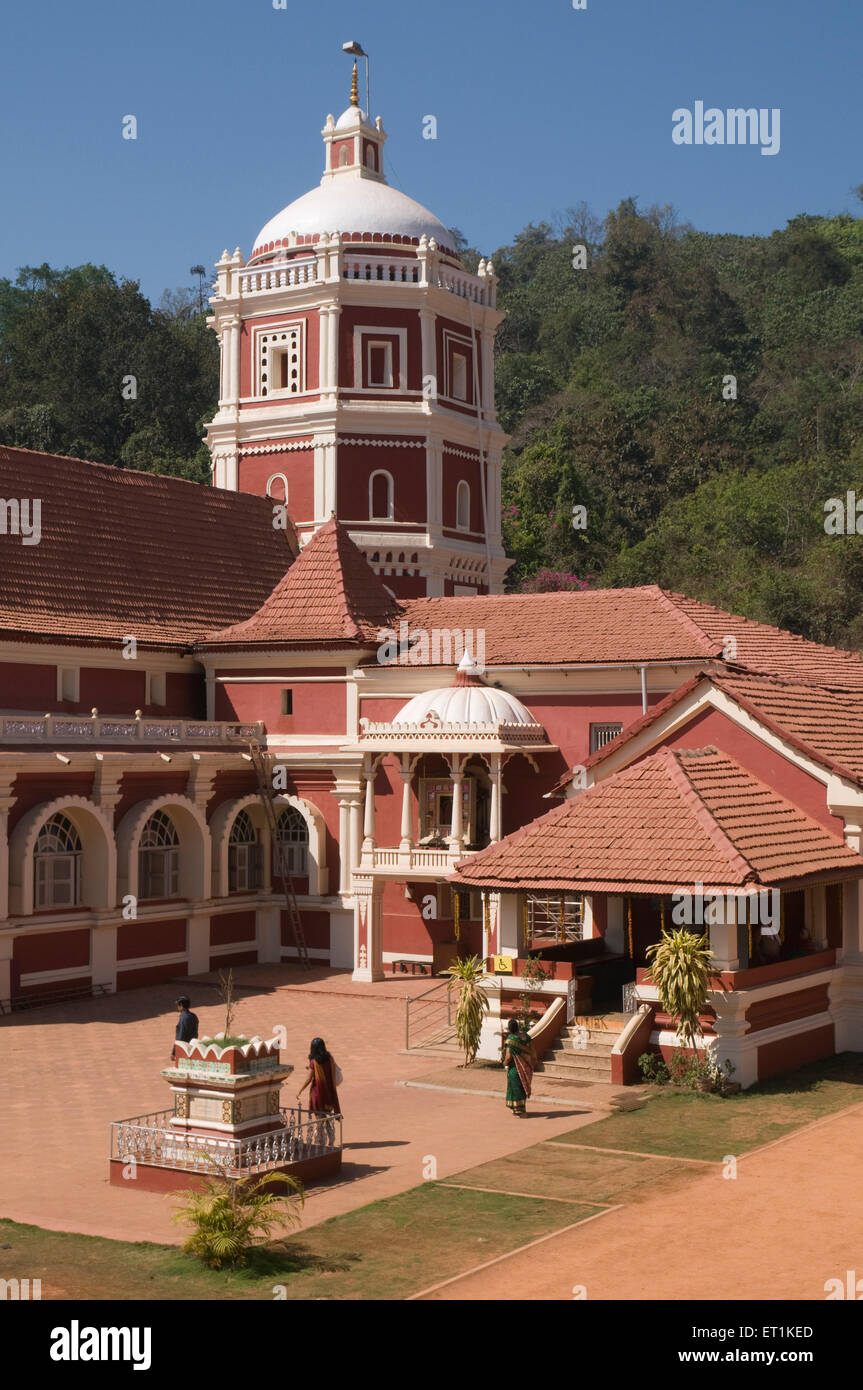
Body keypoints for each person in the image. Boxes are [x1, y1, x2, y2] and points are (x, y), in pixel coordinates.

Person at [296, 1037, 341, 1115]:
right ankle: (327, 1124)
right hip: (329, 1092)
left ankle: (321, 1125)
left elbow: (309, 1079)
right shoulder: (330, 1059)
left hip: (318, 1093)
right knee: (327, 1115)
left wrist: (300, 1090)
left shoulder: (314, 1062)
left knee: (319, 1116)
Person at [502, 1017, 534, 1116]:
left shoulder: (511, 1040)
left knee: (516, 1089)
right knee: (523, 1088)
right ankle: (520, 1108)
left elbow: (508, 1057)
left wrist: (504, 1064)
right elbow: (533, 1052)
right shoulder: (526, 1036)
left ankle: (519, 1111)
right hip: (527, 1067)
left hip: (515, 1069)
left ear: (510, 1029)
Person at [171, 996, 199, 1061]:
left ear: (181, 1006)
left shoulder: (183, 1018)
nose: (177, 1007)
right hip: (193, 1046)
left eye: (178, 1005)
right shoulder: (194, 1016)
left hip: (184, 1049)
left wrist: (174, 1052)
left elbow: (180, 1036)